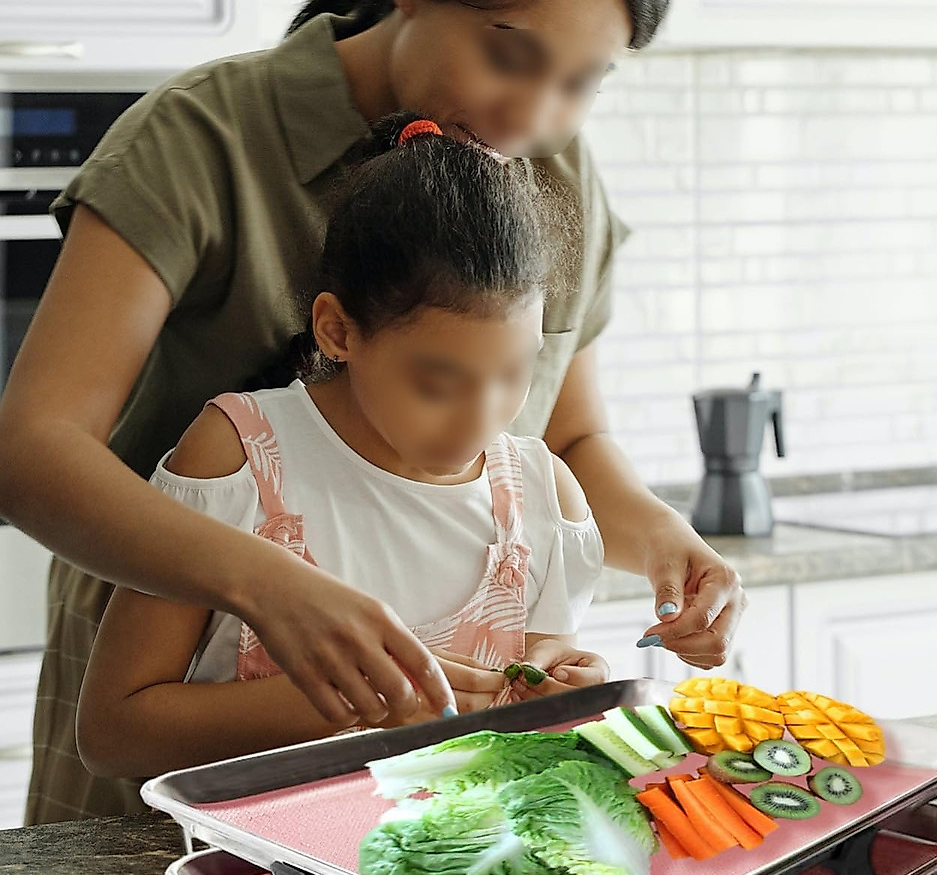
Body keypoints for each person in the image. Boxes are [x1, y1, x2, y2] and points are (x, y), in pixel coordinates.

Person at [0, 0, 747, 824]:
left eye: (582, 82)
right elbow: (31, 450)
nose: (538, 114)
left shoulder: (548, 168)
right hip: (182, 706)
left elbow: (568, 437)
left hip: (411, 800)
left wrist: (669, 543)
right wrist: (270, 585)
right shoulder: (203, 138)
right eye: (510, 55)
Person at [77, 115, 610, 778]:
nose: (484, 417)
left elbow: (541, 671)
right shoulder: (239, 458)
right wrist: (346, 705)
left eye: (512, 374)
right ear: (337, 331)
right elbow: (113, 734)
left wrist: (568, 688)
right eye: (439, 383)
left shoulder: (538, 493)